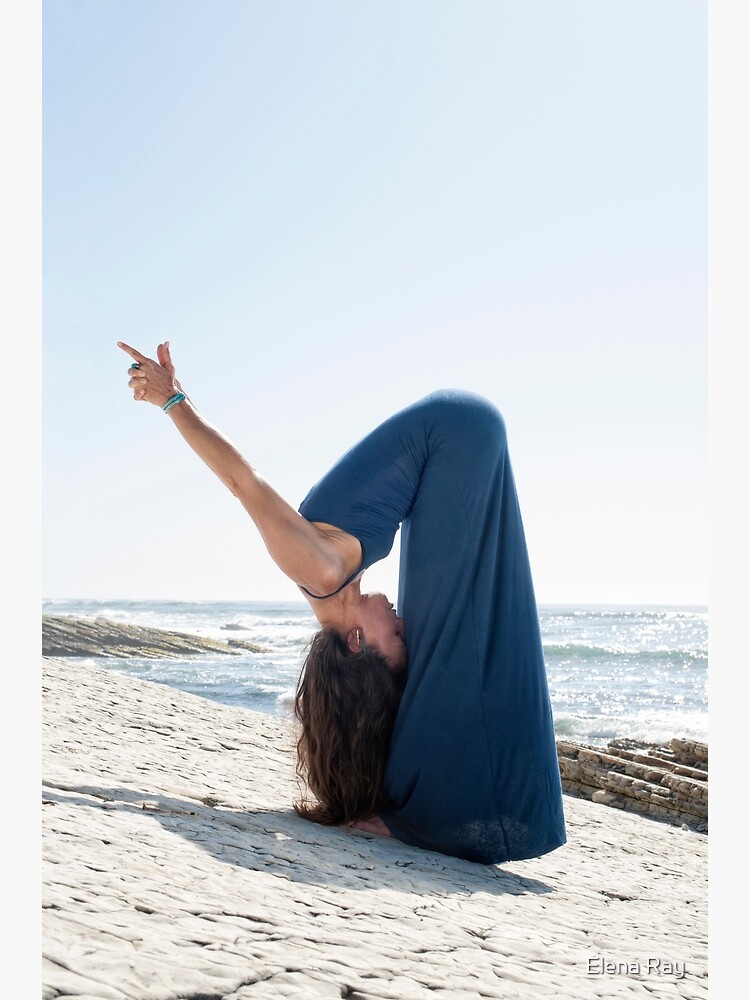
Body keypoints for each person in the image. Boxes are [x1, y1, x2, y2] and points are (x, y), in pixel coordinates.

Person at [118, 340, 566, 865]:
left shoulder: (320, 571)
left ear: (356, 641)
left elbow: (243, 483)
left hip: (461, 438)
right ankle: (432, 793)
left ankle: (436, 803)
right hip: (462, 442)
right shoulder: (338, 579)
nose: (403, 622)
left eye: (395, 635)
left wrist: (173, 400)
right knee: (464, 626)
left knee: (461, 637)